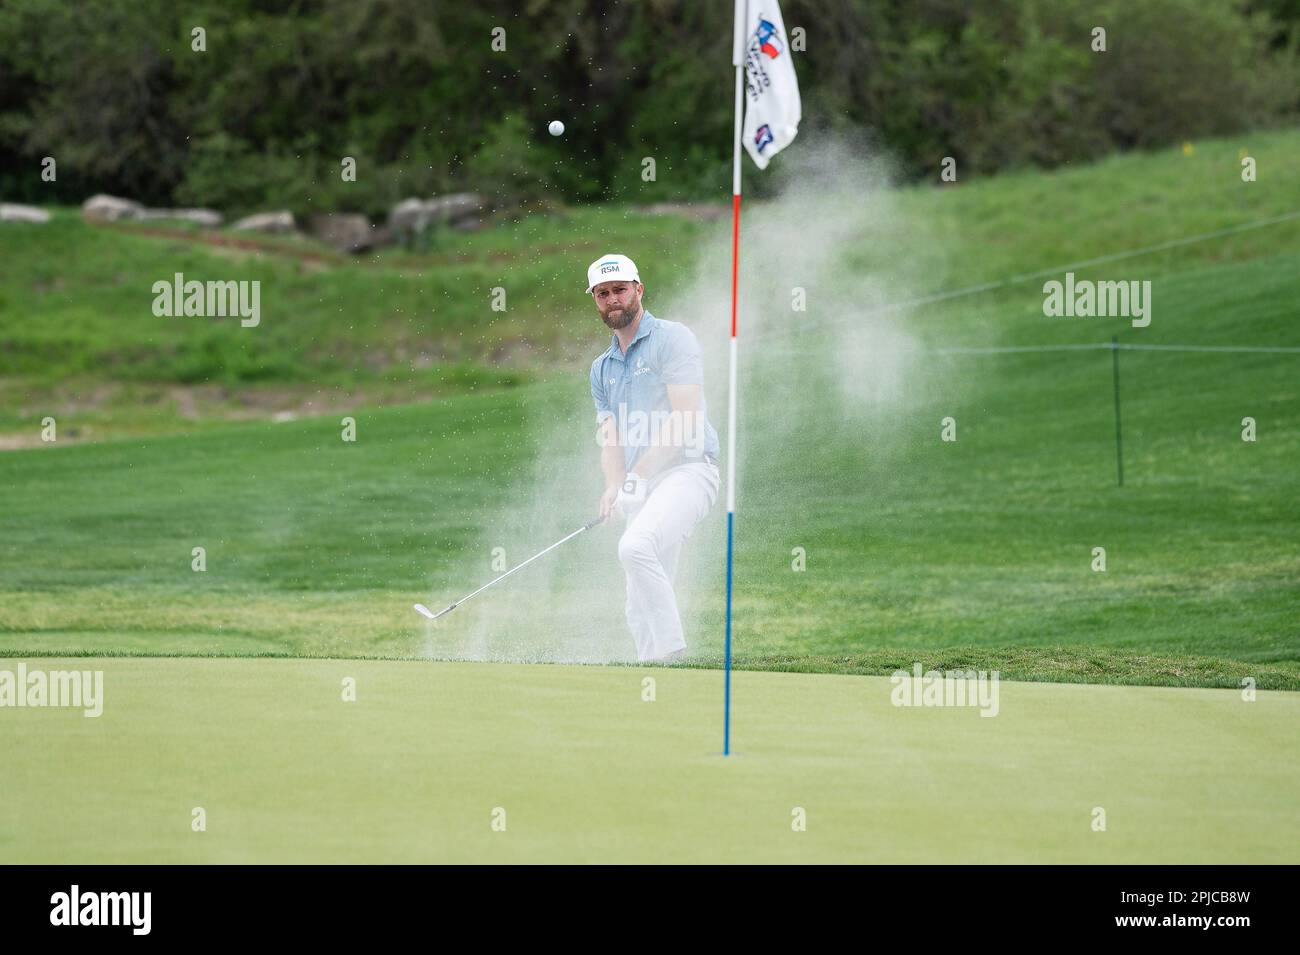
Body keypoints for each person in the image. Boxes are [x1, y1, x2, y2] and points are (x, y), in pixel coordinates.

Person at [586, 253, 721, 662]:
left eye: (620, 290)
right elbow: (611, 438)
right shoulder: (601, 368)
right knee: (637, 599)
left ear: (638, 290)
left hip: (689, 471)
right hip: (641, 485)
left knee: (634, 547)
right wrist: (615, 484)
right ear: (595, 299)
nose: (613, 299)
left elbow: (684, 419)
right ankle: (657, 675)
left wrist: (636, 477)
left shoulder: (672, 338)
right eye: (603, 293)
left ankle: (672, 651)